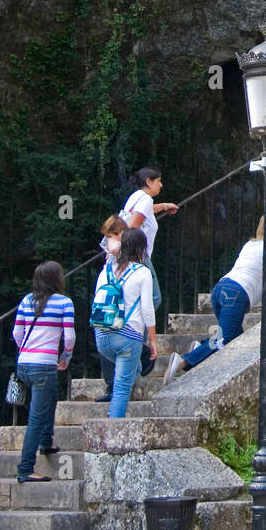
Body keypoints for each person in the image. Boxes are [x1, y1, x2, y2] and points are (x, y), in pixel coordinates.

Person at [163, 216, 266, 383]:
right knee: (224, 338)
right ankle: (183, 361)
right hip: (236, 295)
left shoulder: (249, 245)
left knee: (238, 341)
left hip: (221, 289)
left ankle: (201, 348)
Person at [11, 262, 74, 483]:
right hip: (45, 365)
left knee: (52, 395)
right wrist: (65, 356)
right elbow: (70, 337)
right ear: (57, 279)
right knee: (36, 418)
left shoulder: (26, 300)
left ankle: (46, 442)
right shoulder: (64, 303)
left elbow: (17, 333)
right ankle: (25, 468)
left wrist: (27, 351)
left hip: (24, 364)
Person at [92, 227, 157, 418]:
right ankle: (113, 430)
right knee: (121, 389)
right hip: (128, 338)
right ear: (141, 249)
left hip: (102, 336)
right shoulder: (142, 272)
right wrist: (152, 340)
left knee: (130, 367)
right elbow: (147, 309)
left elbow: (97, 298)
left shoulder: (106, 270)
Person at [121, 168, 176, 377]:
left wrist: (164, 206)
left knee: (144, 300)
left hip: (131, 257)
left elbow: (142, 212)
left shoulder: (136, 197)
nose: (161, 185)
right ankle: (139, 340)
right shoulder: (143, 199)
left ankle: (134, 336)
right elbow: (132, 229)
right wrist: (136, 257)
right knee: (153, 298)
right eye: (158, 181)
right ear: (148, 181)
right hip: (139, 256)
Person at [94, 216, 127, 404]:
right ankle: (111, 385)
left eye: (111, 235)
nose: (108, 240)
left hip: (120, 300)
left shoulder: (125, 249)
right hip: (108, 299)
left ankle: (118, 385)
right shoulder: (112, 251)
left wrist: (115, 244)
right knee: (104, 335)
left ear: (120, 233)